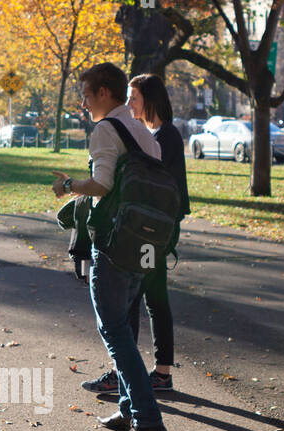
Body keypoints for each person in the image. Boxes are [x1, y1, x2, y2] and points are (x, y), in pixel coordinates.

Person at [52, 63, 170, 431]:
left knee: (115, 333)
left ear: (105, 92)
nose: (83, 103)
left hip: (115, 243)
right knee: (127, 326)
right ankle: (128, 409)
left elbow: (101, 184)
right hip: (147, 242)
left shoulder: (106, 130)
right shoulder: (143, 131)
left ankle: (148, 421)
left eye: (86, 94)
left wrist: (68, 186)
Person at [79, 73, 189, 397]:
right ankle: (132, 378)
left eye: (134, 97)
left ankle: (157, 373)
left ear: (150, 98)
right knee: (139, 296)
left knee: (151, 296)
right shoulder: (149, 133)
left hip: (152, 229)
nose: (130, 103)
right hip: (148, 228)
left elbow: (159, 188)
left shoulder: (164, 135)